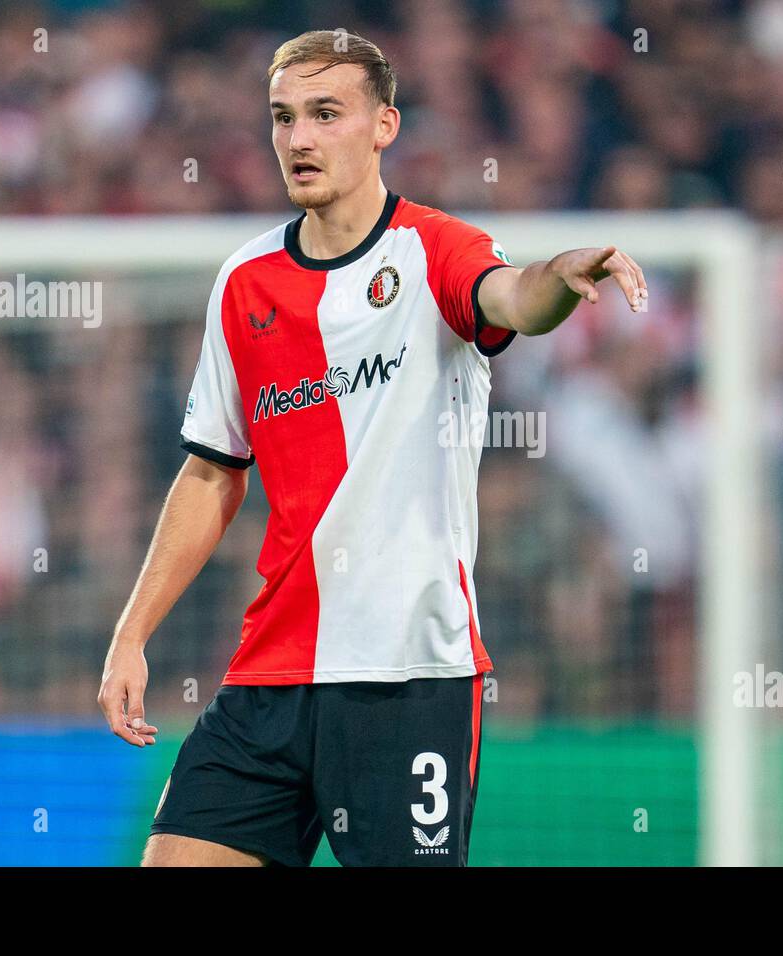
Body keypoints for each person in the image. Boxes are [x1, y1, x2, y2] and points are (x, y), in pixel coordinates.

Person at [97, 29, 648, 866]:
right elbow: (213, 472)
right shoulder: (244, 283)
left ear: (384, 125)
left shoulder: (434, 251)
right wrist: (132, 633)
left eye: (326, 114)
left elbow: (512, 296)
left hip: (408, 676)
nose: (300, 139)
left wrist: (560, 275)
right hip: (272, 673)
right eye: (283, 118)